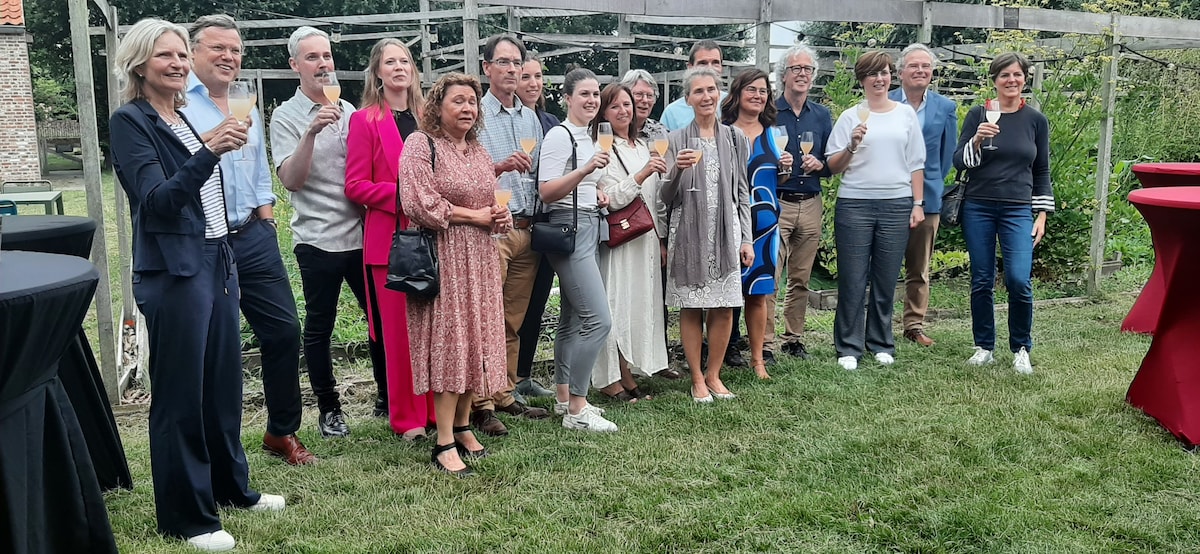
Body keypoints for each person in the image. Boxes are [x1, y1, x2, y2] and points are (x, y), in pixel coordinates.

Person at [109, 18, 283, 551]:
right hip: (174, 269)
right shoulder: (130, 121)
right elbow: (158, 200)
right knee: (182, 394)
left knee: (222, 385)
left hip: (217, 259)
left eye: (183, 55)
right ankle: (189, 518)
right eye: (167, 56)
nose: (179, 64)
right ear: (140, 63)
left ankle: (232, 489)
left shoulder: (181, 114)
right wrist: (208, 150)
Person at [180, 14, 312, 465]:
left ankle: (281, 432)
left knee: (283, 330)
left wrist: (267, 220)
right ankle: (213, 441)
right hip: (203, 241)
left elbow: (258, 172)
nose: (228, 57)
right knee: (214, 343)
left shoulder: (245, 104)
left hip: (253, 236)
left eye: (235, 50)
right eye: (217, 48)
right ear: (193, 52)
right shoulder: (179, 105)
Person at [269, 27, 386, 439]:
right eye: (313, 57)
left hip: (361, 235)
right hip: (317, 239)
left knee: (379, 320)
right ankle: (329, 408)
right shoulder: (285, 117)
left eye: (327, 56)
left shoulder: (351, 111)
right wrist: (312, 131)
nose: (323, 64)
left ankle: (386, 397)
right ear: (295, 65)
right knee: (320, 326)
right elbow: (292, 181)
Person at [399, 73, 511, 477]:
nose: (467, 108)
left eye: (472, 102)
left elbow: (491, 201)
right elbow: (417, 202)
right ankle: (443, 440)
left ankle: (463, 426)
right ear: (437, 106)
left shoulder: (479, 151)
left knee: (476, 341)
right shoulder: (420, 144)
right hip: (443, 257)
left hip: (480, 258)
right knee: (451, 344)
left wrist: (499, 215)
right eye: (458, 101)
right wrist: (472, 216)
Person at [345, 38, 436, 440]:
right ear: (377, 72)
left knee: (434, 331)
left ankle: (437, 410)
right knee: (399, 338)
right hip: (391, 243)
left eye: (405, 61)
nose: (399, 67)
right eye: (390, 62)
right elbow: (355, 186)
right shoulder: (365, 121)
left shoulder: (429, 117)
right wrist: (402, 197)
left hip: (436, 238)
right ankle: (407, 419)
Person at [953, 51, 1054, 374]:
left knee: (1018, 279)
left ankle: (1021, 347)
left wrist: (1041, 214)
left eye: (1017, 75)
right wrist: (978, 140)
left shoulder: (1036, 121)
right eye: (1004, 75)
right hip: (979, 206)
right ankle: (984, 346)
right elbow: (959, 161)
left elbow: (1042, 170)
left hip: (1018, 209)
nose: (1012, 81)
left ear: (1025, 79)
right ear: (994, 81)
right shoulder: (978, 114)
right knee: (981, 279)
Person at [825, 51, 926, 371]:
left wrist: (918, 204)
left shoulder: (905, 115)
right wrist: (851, 146)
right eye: (872, 74)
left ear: (891, 76)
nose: (879, 79)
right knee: (853, 279)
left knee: (885, 278)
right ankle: (849, 346)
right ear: (862, 80)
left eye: (884, 73)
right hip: (855, 204)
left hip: (897, 204)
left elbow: (916, 163)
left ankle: (881, 342)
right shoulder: (849, 117)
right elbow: (832, 166)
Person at [472, 35, 552, 436]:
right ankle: (480, 403)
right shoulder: (477, 114)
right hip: (493, 229)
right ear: (486, 67)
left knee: (512, 318)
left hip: (526, 228)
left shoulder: (530, 118)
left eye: (515, 62)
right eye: (501, 62)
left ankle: (504, 391)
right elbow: (465, 173)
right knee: (485, 317)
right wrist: (501, 166)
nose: (510, 69)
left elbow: (537, 174)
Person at [660, 67, 752, 402]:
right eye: (698, 91)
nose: (706, 96)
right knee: (691, 306)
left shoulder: (735, 138)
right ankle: (696, 378)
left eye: (711, 89)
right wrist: (676, 171)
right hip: (688, 232)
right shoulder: (675, 140)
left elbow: (742, 192)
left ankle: (714, 375)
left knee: (724, 306)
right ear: (688, 98)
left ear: (720, 94)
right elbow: (664, 195)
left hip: (726, 232)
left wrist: (747, 239)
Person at [538, 67, 618, 431]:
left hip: (589, 223)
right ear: (567, 98)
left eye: (595, 94)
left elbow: (579, 186)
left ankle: (562, 398)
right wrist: (586, 171)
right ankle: (578, 409)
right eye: (584, 94)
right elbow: (547, 190)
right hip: (569, 230)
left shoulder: (588, 137)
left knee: (572, 319)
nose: (591, 100)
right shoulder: (560, 135)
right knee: (598, 320)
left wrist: (595, 190)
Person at [591, 83, 669, 401]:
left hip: (645, 239)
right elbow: (610, 198)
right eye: (615, 106)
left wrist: (662, 237)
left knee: (637, 304)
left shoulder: (642, 146)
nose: (624, 110)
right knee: (616, 304)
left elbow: (657, 199)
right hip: (621, 239)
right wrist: (642, 174)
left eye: (627, 104)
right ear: (604, 113)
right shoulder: (603, 147)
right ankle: (609, 377)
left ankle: (628, 370)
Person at [721, 69, 791, 380]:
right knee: (724, 293)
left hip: (765, 226)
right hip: (728, 223)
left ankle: (758, 359)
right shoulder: (722, 132)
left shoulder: (775, 134)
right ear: (737, 94)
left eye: (763, 91)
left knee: (759, 293)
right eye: (751, 89)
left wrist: (785, 170)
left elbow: (777, 180)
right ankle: (720, 357)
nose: (758, 96)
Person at [890, 43, 959, 347]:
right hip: (889, 193)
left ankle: (913, 325)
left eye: (926, 66)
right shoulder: (885, 101)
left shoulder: (945, 108)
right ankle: (876, 325)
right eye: (914, 66)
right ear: (900, 71)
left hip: (928, 197)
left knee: (919, 266)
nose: (920, 71)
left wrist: (932, 181)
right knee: (883, 264)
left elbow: (948, 154)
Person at [620, 68, 682, 380]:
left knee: (656, 293)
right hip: (623, 220)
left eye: (649, 95)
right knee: (626, 292)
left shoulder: (659, 133)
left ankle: (657, 359)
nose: (643, 100)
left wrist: (663, 234)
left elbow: (666, 182)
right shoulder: (615, 132)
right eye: (637, 94)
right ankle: (626, 363)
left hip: (655, 221)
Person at [773, 44, 833, 361]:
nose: (802, 74)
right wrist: (774, 161)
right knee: (771, 274)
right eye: (796, 68)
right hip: (778, 201)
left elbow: (831, 162)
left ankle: (793, 339)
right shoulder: (769, 111)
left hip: (811, 200)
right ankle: (764, 343)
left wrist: (819, 165)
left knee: (801, 277)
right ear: (784, 74)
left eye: (807, 69)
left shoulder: (822, 115)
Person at [513, 54, 560, 400]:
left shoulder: (550, 122)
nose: (533, 83)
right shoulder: (510, 121)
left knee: (536, 301)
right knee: (512, 306)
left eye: (538, 76)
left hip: (546, 224)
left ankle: (524, 374)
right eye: (525, 76)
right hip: (518, 221)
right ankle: (506, 378)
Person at [661, 40, 726, 131]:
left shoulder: (731, 102)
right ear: (690, 67)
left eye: (715, 63)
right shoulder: (672, 113)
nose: (710, 68)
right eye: (703, 63)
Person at [619, 69, 667, 140]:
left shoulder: (659, 131)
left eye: (650, 95)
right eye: (639, 94)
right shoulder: (613, 130)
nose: (645, 100)